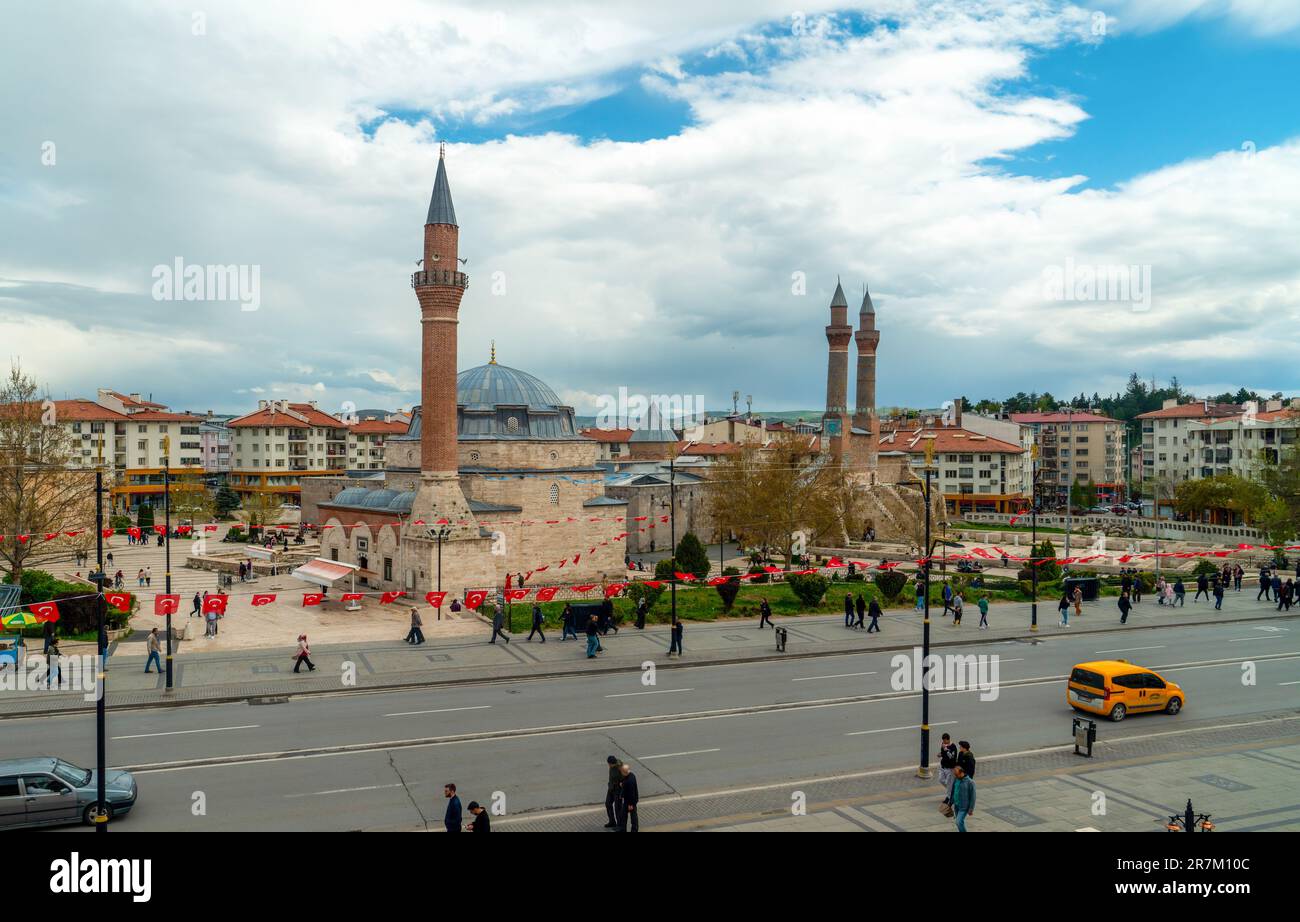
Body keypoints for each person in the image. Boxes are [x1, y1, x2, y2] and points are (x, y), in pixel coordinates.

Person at [951, 764, 975, 832]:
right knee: (960, 822)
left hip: (964, 807)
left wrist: (971, 809)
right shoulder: (956, 779)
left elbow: (973, 796)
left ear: (962, 772)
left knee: (958, 822)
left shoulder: (970, 782)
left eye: (957, 774)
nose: (955, 776)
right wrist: (950, 802)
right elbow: (953, 791)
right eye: (955, 775)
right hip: (956, 805)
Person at [616, 763, 639, 832]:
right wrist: (622, 784)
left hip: (630, 802)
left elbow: (631, 794)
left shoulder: (629, 782)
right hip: (629, 801)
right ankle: (623, 829)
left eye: (621, 771)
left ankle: (634, 830)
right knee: (623, 815)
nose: (621, 773)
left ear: (624, 772)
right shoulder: (631, 775)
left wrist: (630, 805)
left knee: (633, 817)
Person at [938, 734, 958, 805]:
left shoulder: (953, 747)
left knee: (949, 784)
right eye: (943, 740)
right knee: (941, 779)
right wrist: (941, 754)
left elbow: (952, 757)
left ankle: (949, 797)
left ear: (948, 739)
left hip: (950, 768)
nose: (943, 742)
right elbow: (944, 754)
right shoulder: (943, 744)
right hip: (943, 766)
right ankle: (952, 790)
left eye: (944, 740)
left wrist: (946, 750)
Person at [604, 755, 622, 829]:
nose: (608, 765)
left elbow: (625, 778)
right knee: (608, 804)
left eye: (609, 764)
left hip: (618, 790)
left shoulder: (620, 768)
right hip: (611, 788)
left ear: (612, 763)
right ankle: (612, 821)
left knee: (617, 808)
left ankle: (619, 825)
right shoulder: (611, 766)